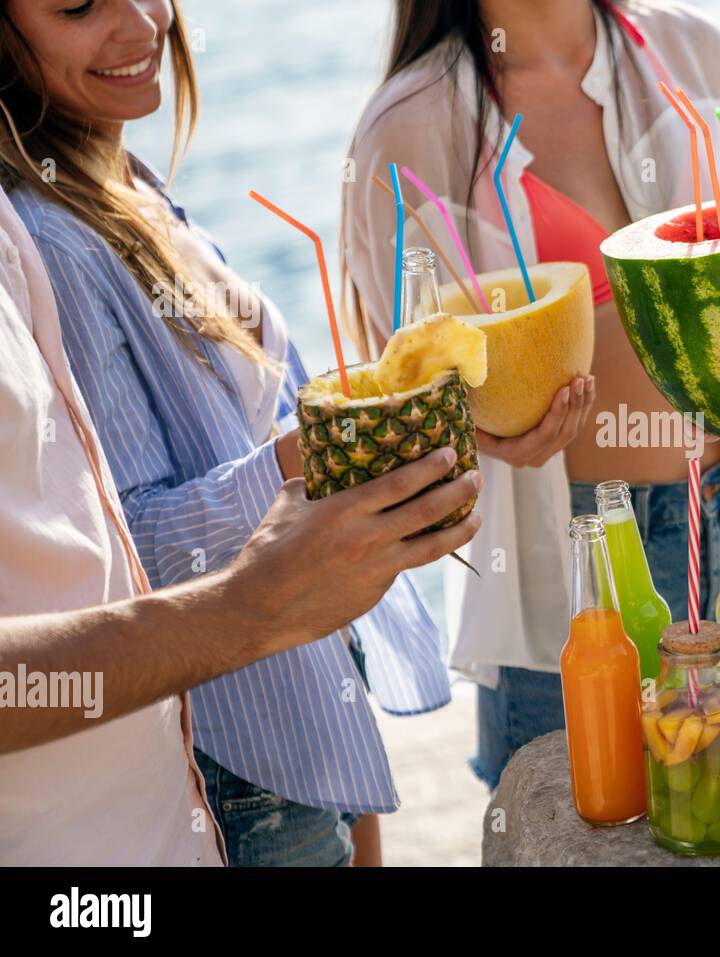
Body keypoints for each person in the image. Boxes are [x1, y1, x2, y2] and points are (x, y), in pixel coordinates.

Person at [1, 0, 469, 864]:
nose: (144, 22)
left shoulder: (120, 174)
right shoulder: (49, 241)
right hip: (233, 772)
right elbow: (121, 549)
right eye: (77, 5)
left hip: (288, 722)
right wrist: (306, 459)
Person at [341, 0, 720, 788]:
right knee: (578, 823)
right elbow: (398, 400)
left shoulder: (694, 54)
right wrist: (482, 439)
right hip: (571, 561)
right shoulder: (407, 129)